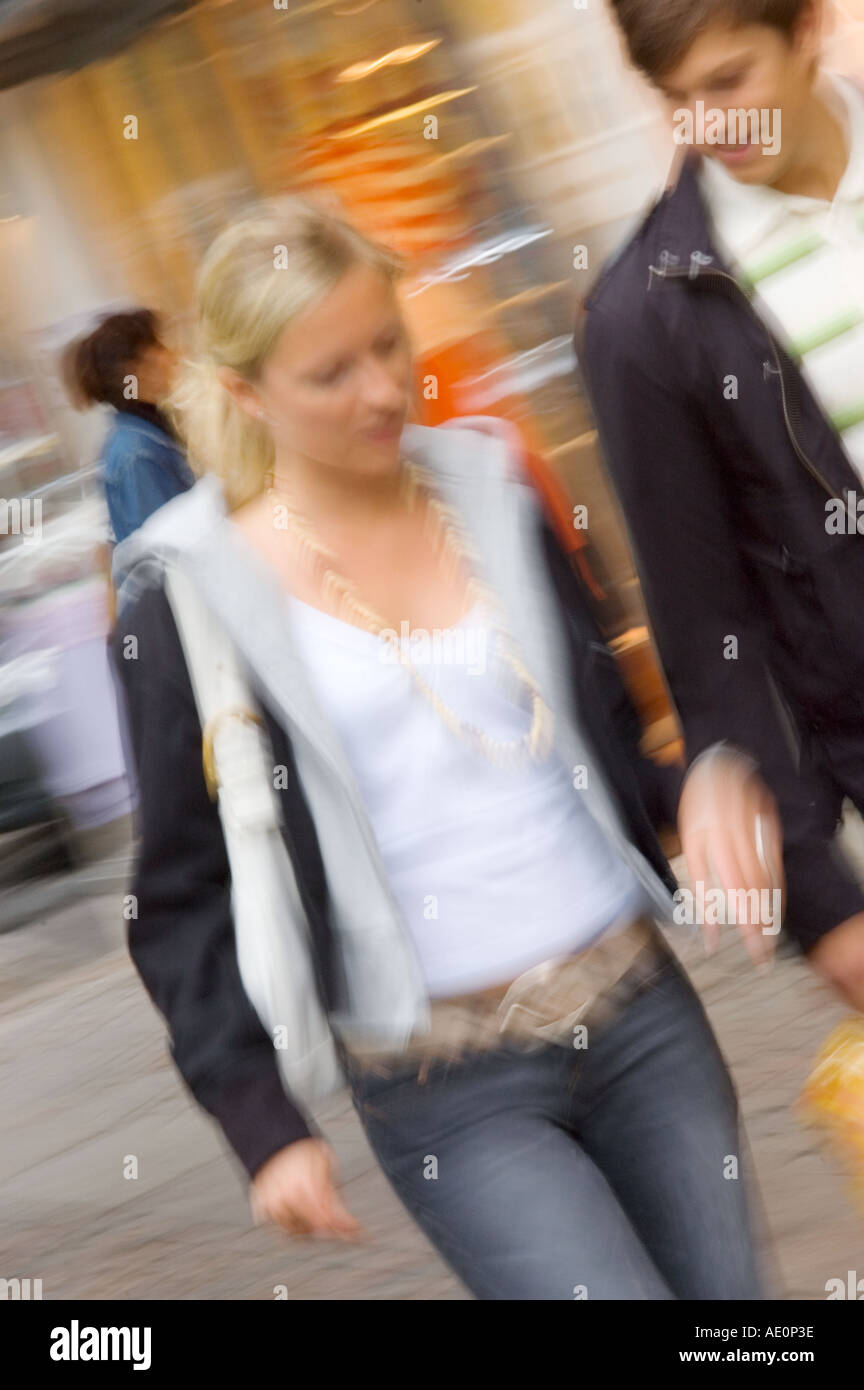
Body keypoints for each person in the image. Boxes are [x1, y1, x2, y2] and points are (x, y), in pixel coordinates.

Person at [109, 195, 780, 1300]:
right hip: (447, 1090)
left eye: (387, 343)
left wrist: (704, 785)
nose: (382, 389)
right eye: (329, 374)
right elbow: (176, 894)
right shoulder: (185, 596)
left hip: (642, 1015)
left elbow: (604, 743)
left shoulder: (493, 490)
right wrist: (260, 1119)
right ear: (245, 394)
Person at [579, 0, 864, 1013]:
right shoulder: (645, 320)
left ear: (811, 26)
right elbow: (710, 636)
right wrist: (825, 907)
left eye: (730, 81)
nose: (708, 127)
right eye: (678, 100)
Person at [61, 308, 195, 556]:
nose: (174, 355)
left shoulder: (146, 433)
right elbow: (166, 555)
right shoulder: (135, 453)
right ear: (136, 369)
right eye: (161, 346)